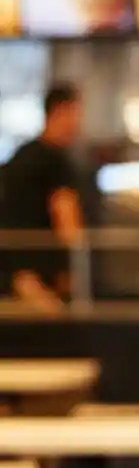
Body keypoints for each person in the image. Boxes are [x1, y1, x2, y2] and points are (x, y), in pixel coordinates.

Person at [0, 84, 84, 312]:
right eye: (76, 113)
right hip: (38, 276)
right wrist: (75, 267)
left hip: (12, 272)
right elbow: (67, 220)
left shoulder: (21, 155)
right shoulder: (56, 161)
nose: (78, 123)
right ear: (60, 111)